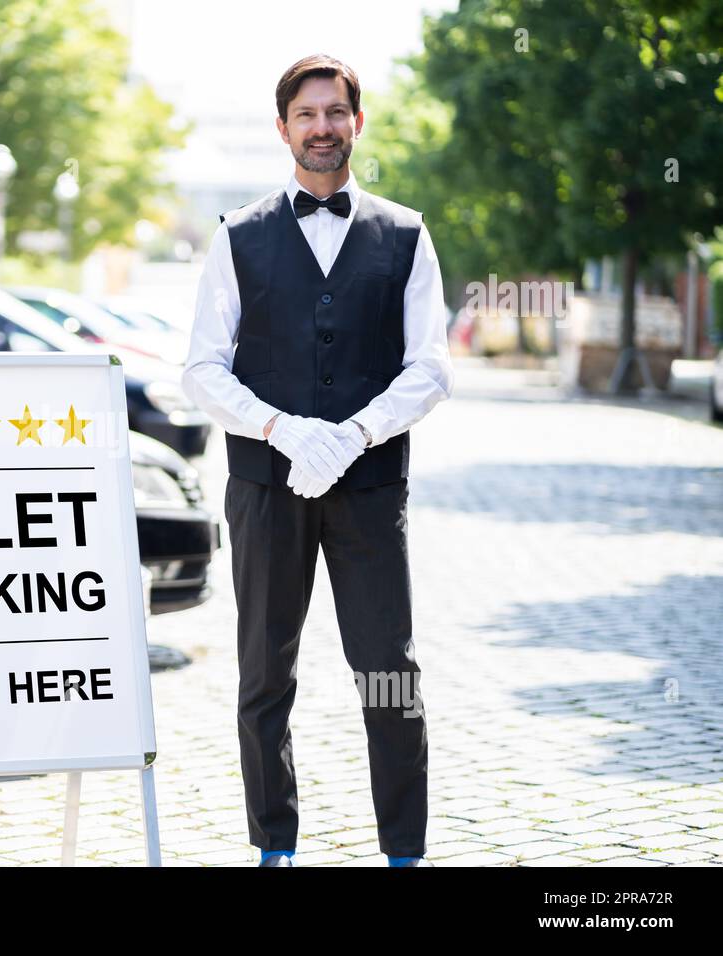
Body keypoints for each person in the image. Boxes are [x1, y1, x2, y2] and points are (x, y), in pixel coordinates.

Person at [181, 53, 455, 868]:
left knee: (388, 671)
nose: (323, 127)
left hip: (370, 486)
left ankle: (404, 849)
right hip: (266, 486)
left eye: (336, 112)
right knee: (266, 671)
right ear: (283, 129)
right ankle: (275, 843)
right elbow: (201, 369)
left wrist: (355, 433)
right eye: (307, 114)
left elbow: (431, 366)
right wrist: (281, 429)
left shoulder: (405, 233)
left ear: (357, 123)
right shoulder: (238, 235)